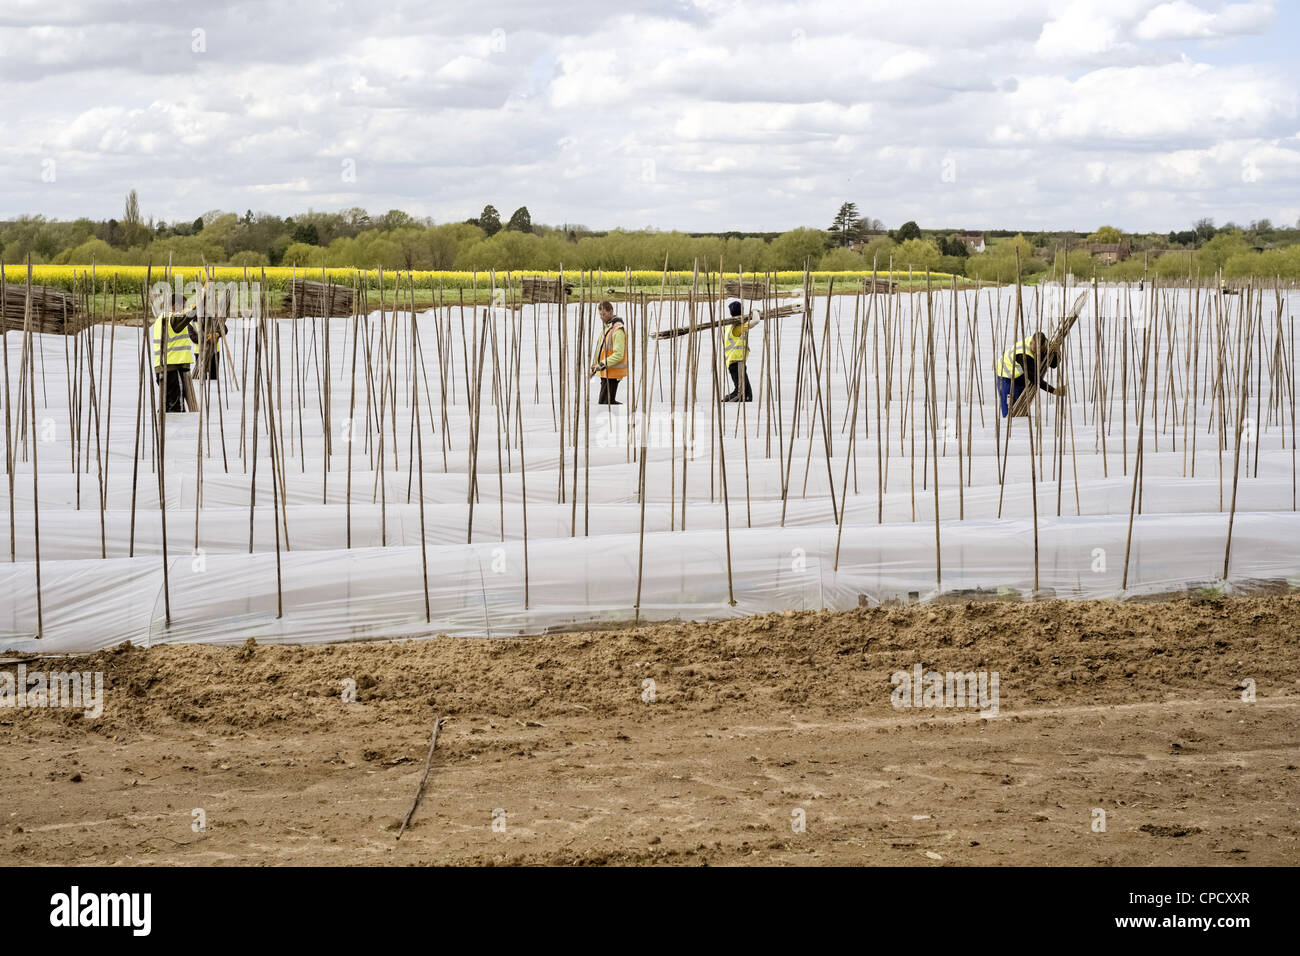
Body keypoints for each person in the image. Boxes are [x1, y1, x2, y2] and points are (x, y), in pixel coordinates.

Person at [994, 331, 1063, 418]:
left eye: (1040, 351)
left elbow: (1053, 365)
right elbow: (1035, 379)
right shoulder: (1023, 355)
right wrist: (1053, 390)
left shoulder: (1046, 344)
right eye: (1035, 350)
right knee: (1010, 413)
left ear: (1044, 347)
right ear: (1031, 342)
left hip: (1021, 375)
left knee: (1022, 410)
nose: (1037, 353)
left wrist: (1057, 353)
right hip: (1006, 377)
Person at [151, 291, 196, 412]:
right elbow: (181, 323)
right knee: (177, 407)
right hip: (172, 367)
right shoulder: (172, 318)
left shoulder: (161, 318)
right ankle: (177, 430)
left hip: (161, 367)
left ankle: (165, 429)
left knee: (166, 405)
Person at [591, 300, 627, 405]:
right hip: (605, 372)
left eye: (604, 314)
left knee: (605, 404)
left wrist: (601, 364)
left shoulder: (617, 330)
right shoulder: (607, 328)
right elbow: (600, 350)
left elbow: (618, 355)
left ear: (611, 312)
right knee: (606, 403)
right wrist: (594, 367)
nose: (602, 317)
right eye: (600, 315)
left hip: (612, 374)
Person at [721, 300, 753, 402]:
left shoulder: (730, 326)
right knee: (741, 394)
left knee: (748, 396)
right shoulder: (738, 328)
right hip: (736, 361)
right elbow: (756, 320)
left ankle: (732, 397)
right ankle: (727, 400)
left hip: (736, 361)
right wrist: (755, 311)